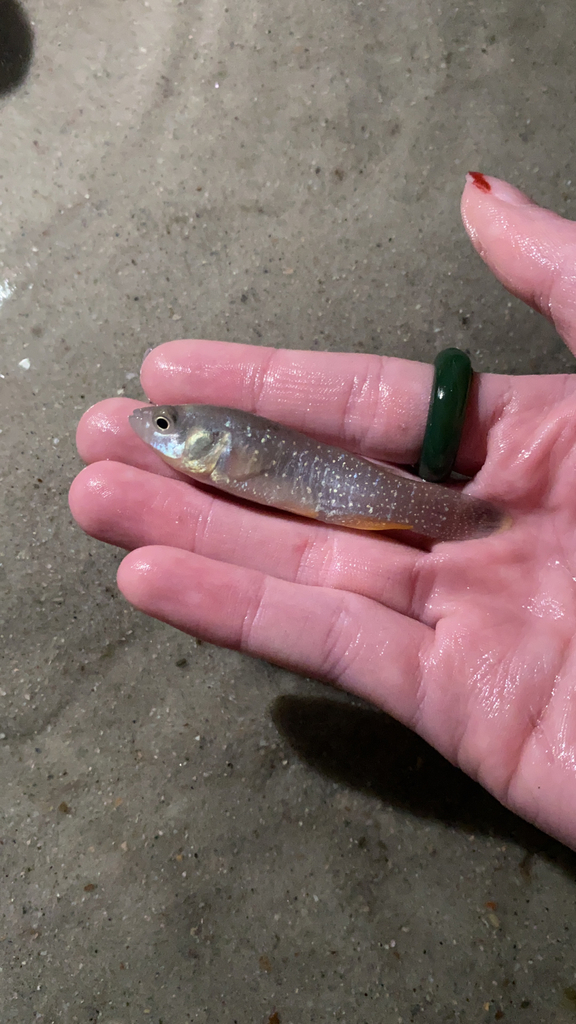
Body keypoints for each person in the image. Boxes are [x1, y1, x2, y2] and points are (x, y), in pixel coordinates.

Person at [69, 174, 576, 850]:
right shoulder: (210, 447)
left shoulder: (220, 445)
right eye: (164, 424)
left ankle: (465, 521)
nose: (151, 428)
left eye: (163, 424)